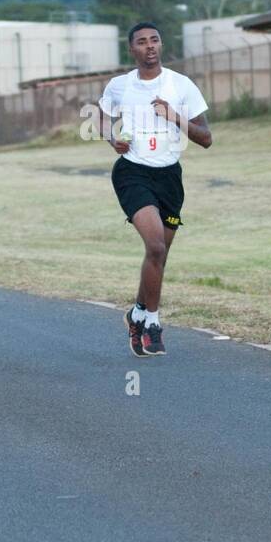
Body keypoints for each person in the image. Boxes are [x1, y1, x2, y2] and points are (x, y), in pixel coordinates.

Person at [98, 22, 211, 357]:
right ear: (131, 49)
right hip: (132, 172)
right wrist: (111, 138)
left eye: (155, 40)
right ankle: (153, 323)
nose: (149, 46)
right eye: (142, 42)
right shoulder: (120, 86)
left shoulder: (181, 85)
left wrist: (175, 116)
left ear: (162, 45)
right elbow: (103, 116)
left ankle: (136, 313)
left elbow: (206, 138)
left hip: (170, 178)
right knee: (156, 245)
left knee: (157, 256)